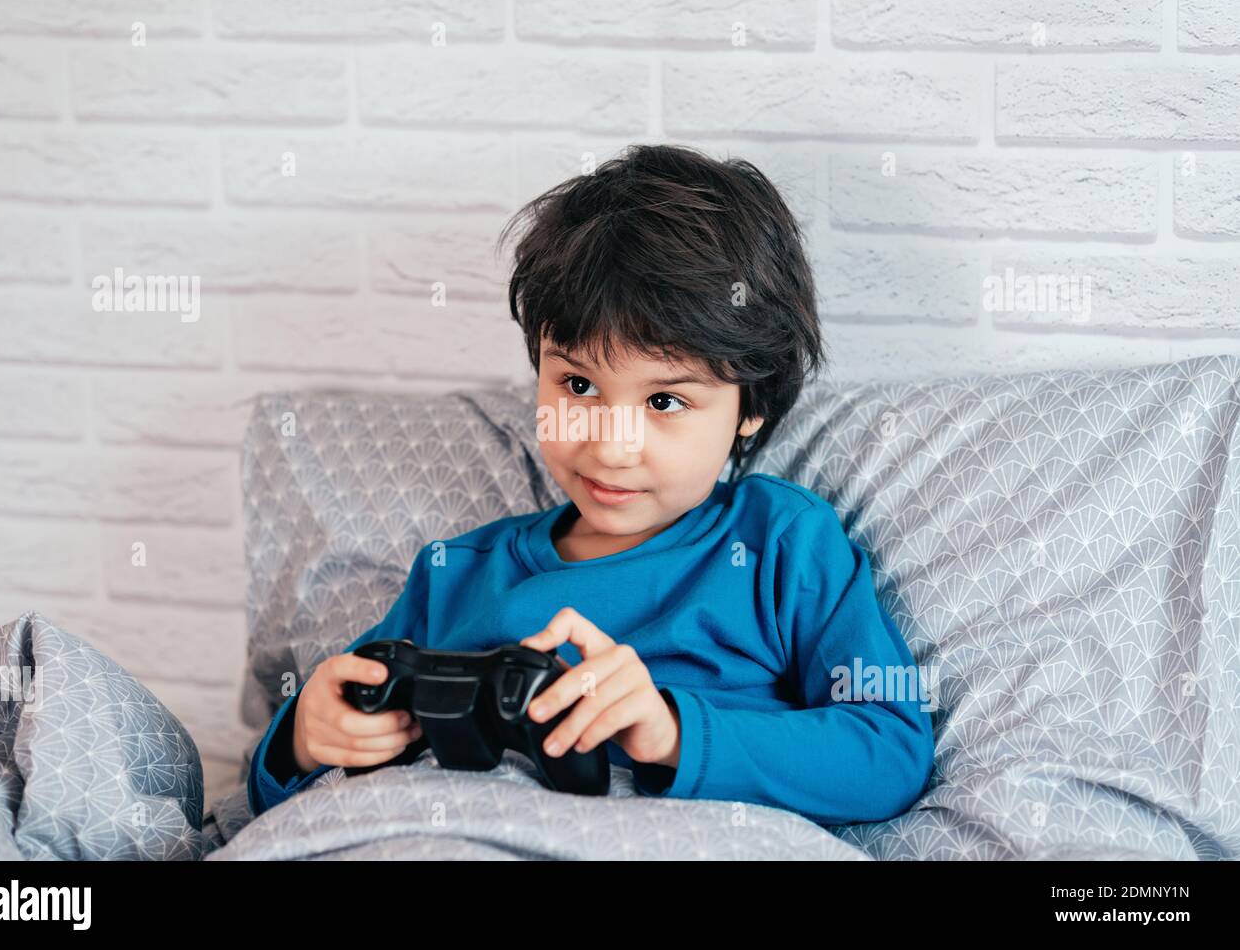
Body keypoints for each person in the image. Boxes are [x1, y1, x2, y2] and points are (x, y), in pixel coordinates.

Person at [247, 143, 935, 824]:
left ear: (749, 408)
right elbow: (312, 742)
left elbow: (890, 750)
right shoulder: (457, 573)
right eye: (577, 384)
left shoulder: (781, 543)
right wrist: (301, 737)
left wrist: (672, 730)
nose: (611, 445)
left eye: (664, 402)